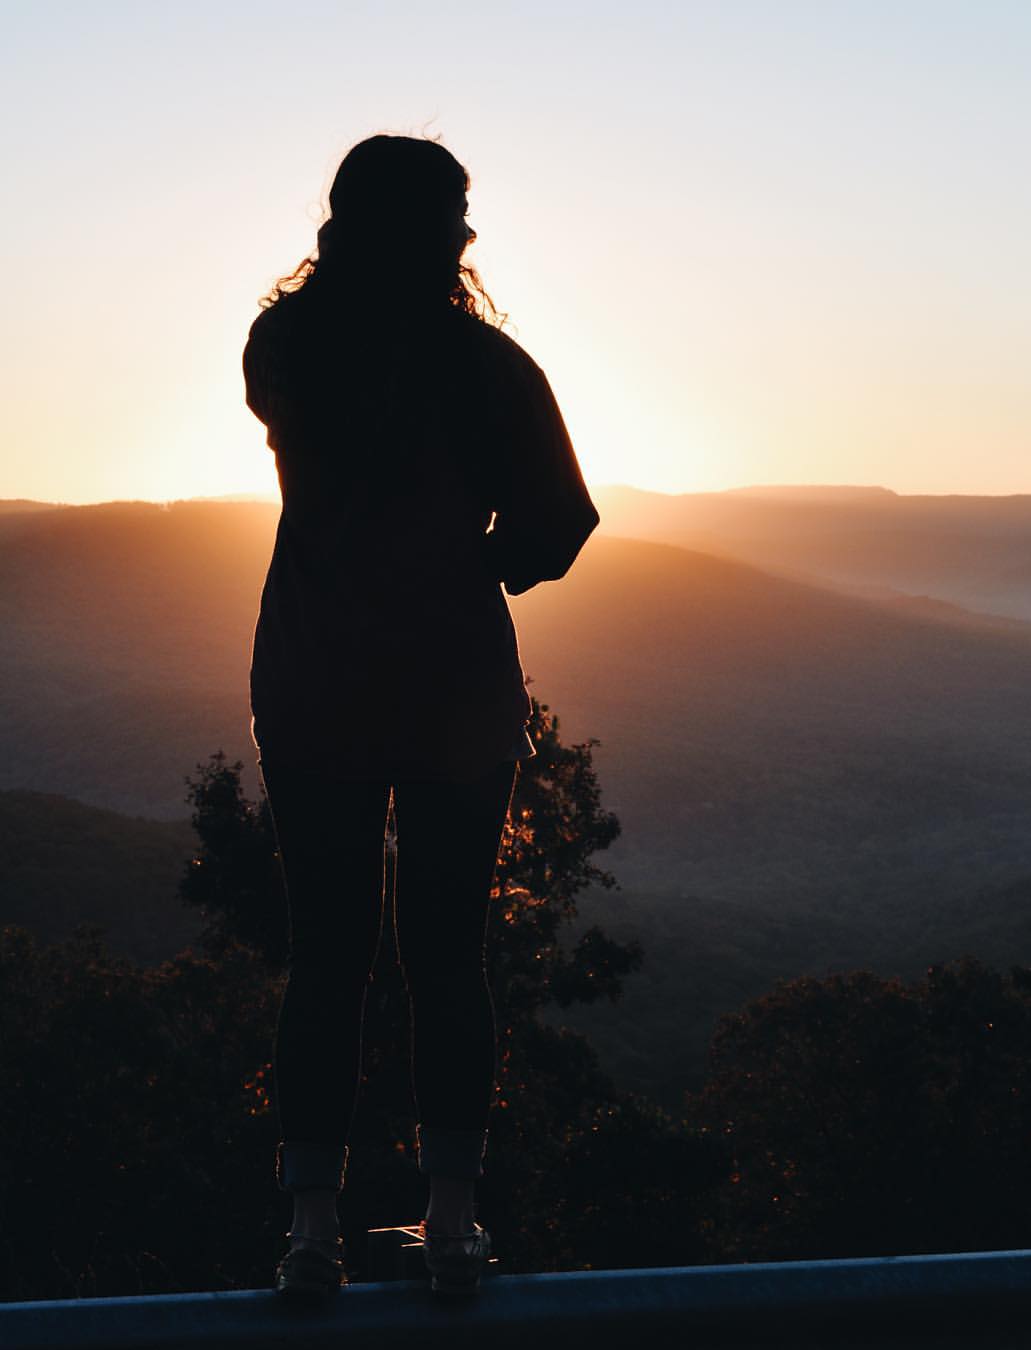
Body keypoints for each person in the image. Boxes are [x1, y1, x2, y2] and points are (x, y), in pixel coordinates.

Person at [242, 134, 600, 1299]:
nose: (468, 233)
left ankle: (309, 1235)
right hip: (452, 687)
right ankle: (450, 1226)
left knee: (325, 956)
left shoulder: (283, 345)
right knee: (448, 954)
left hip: (314, 677)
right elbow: (562, 522)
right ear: (421, 225)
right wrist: (485, 560)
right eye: (454, 211)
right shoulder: (489, 368)